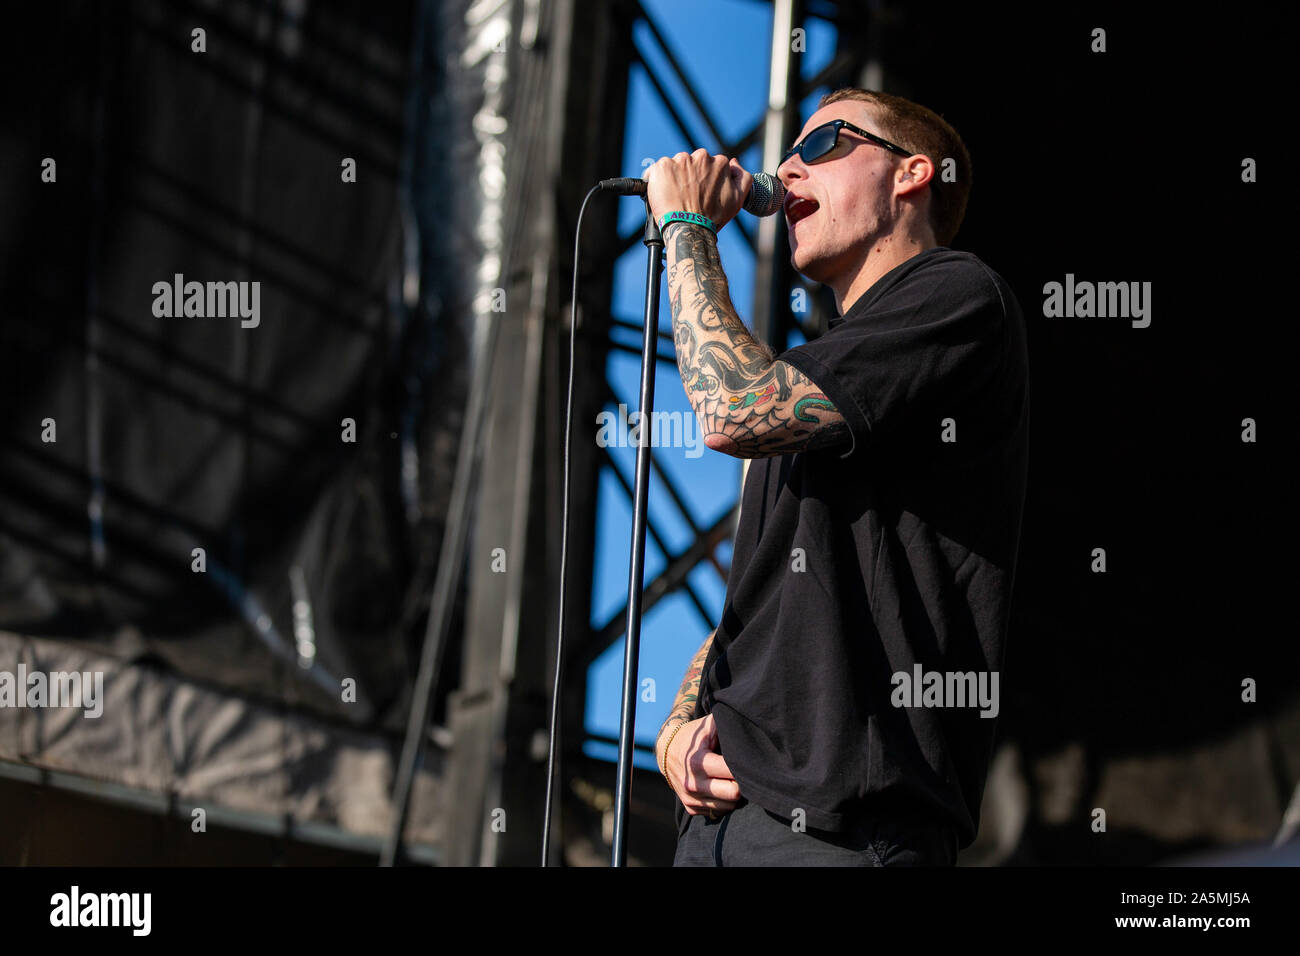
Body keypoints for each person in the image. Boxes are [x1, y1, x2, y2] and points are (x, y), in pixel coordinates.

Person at [643, 88, 1029, 866]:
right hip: (725, 826)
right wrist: (679, 725)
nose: (785, 169)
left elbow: (731, 412)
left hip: (847, 831)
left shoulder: (957, 297)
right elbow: (755, 602)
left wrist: (686, 227)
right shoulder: (813, 372)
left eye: (822, 146)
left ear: (911, 174)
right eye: (787, 152)